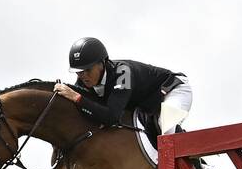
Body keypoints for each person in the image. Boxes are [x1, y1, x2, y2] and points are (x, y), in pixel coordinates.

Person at [52, 37, 193, 148]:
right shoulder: (83, 81)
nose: (83, 76)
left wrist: (76, 97)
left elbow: (111, 116)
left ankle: (200, 168)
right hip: (147, 103)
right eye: (79, 72)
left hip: (173, 89)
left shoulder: (123, 72)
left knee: (166, 126)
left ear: (101, 64)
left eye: (88, 70)